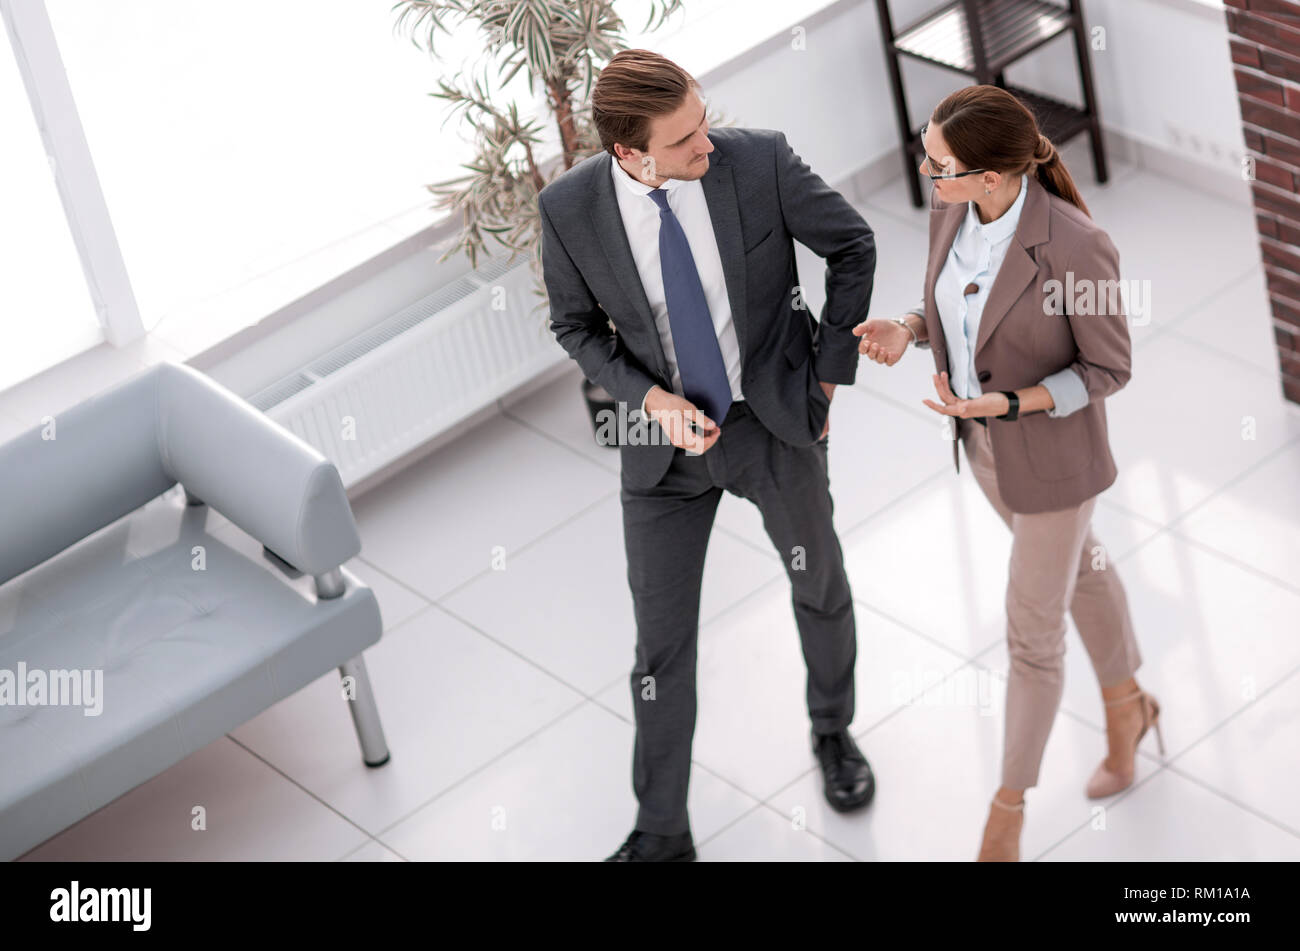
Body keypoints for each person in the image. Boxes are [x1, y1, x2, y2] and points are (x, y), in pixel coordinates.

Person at [539, 49, 878, 862]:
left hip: (774, 425)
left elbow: (852, 245)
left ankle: (833, 731)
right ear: (630, 152)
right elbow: (575, 327)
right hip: (664, 456)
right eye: (687, 138)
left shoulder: (756, 159)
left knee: (818, 582)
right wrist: (652, 402)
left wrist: (829, 380)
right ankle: (662, 826)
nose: (708, 144)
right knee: (660, 646)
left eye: (704, 118)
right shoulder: (570, 209)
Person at [854, 85, 1162, 862]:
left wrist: (1011, 403)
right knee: (1082, 571)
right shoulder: (954, 208)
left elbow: (1109, 368)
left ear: (992, 175)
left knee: (1031, 637)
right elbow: (966, 313)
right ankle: (1129, 706)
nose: (928, 174)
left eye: (940, 165)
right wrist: (909, 325)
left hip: (1052, 459)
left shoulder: (1075, 244)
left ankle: (1006, 811)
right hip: (985, 451)